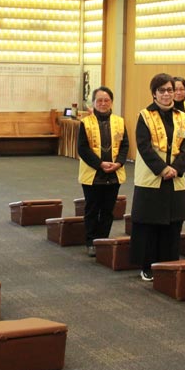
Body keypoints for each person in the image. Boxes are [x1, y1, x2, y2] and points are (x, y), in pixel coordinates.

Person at [130, 73, 185, 281]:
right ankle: (147, 266)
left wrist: (176, 168)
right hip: (152, 177)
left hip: (175, 177)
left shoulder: (182, 116)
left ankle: (169, 265)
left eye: (170, 90)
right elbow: (144, 146)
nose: (167, 94)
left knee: (173, 224)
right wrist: (163, 169)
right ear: (154, 94)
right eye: (162, 90)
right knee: (149, 223)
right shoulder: (145, 115)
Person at [77, 86, 129, 256]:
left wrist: (119, 163)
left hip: (114, 173)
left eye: (106, 100)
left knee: (108, 210)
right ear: (93, 103)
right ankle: (91, 241)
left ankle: (103, 240)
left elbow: (125, 146)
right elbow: (82, 148)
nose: (103, 103)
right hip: (92, 174)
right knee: (92, 209)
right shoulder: (85, 122)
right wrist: (100, 164)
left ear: (111, 102)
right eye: (99, 100)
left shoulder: (119, 122)